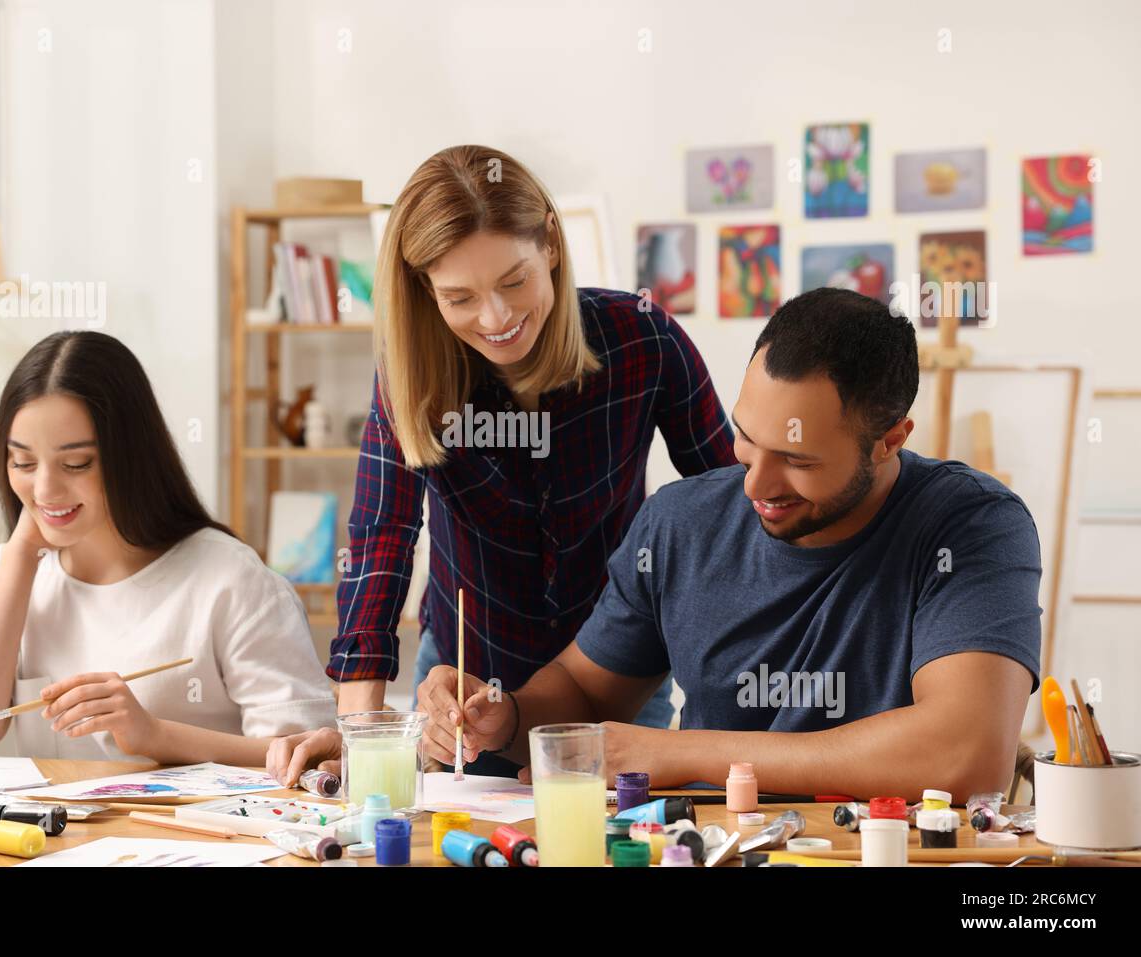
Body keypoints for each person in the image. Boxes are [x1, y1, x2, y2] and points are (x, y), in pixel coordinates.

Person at [416, 288, 1042, 800]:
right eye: (746, 438)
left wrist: (679, 752)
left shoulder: (971, 527)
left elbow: (966, 753)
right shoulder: (680, 524)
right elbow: (583, 693)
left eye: (797, 459)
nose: (756, 484)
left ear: (889, 440)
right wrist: (507, 717)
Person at [266, 145, 736, 784]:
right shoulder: (409, 377)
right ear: (424, 290)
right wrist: (360, 735)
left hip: (617, 684)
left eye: (514, 282)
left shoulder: (643, 339)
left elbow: (733, 506)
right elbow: (381, 542)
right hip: (460, 690)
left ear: (550, 243)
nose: (497, 319)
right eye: (460, 298)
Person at [0, 331, 336, 764]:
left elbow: (308, 759)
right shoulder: (14, 573)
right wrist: (22, 549)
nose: (44, 488)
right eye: (22, 462)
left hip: (196, 832)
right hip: (55, 833)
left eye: (75, 463)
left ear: (130, 456)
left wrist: (154, 736)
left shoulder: (231, 580)